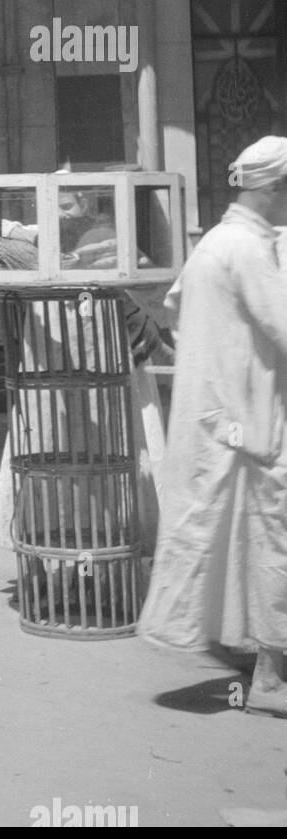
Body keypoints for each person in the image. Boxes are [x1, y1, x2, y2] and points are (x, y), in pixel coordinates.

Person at [139, 136, 287, 716]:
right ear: (274, 190)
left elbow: (174, 309)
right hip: (251, 424)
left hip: (219, 419)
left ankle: (256, 661)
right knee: (272, 541)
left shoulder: (216, 244)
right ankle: (272, 677)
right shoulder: (248, 249)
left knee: (243, 540)